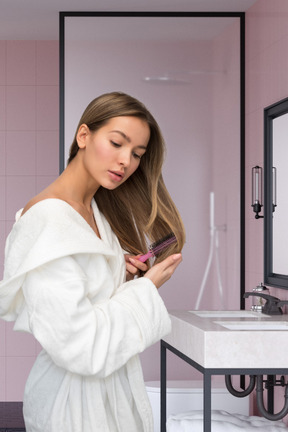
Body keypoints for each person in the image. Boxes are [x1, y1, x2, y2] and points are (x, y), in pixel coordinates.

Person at [0, 92, 185, 432]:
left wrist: (117, 272)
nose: (125, 161)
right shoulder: (46, 220)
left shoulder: (95, 211)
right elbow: (79, 346)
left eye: (136, 154)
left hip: (109, 397)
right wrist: (147, 288)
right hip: (71, 409)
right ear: (83, 136)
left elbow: (88, 297)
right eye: (117, 143)